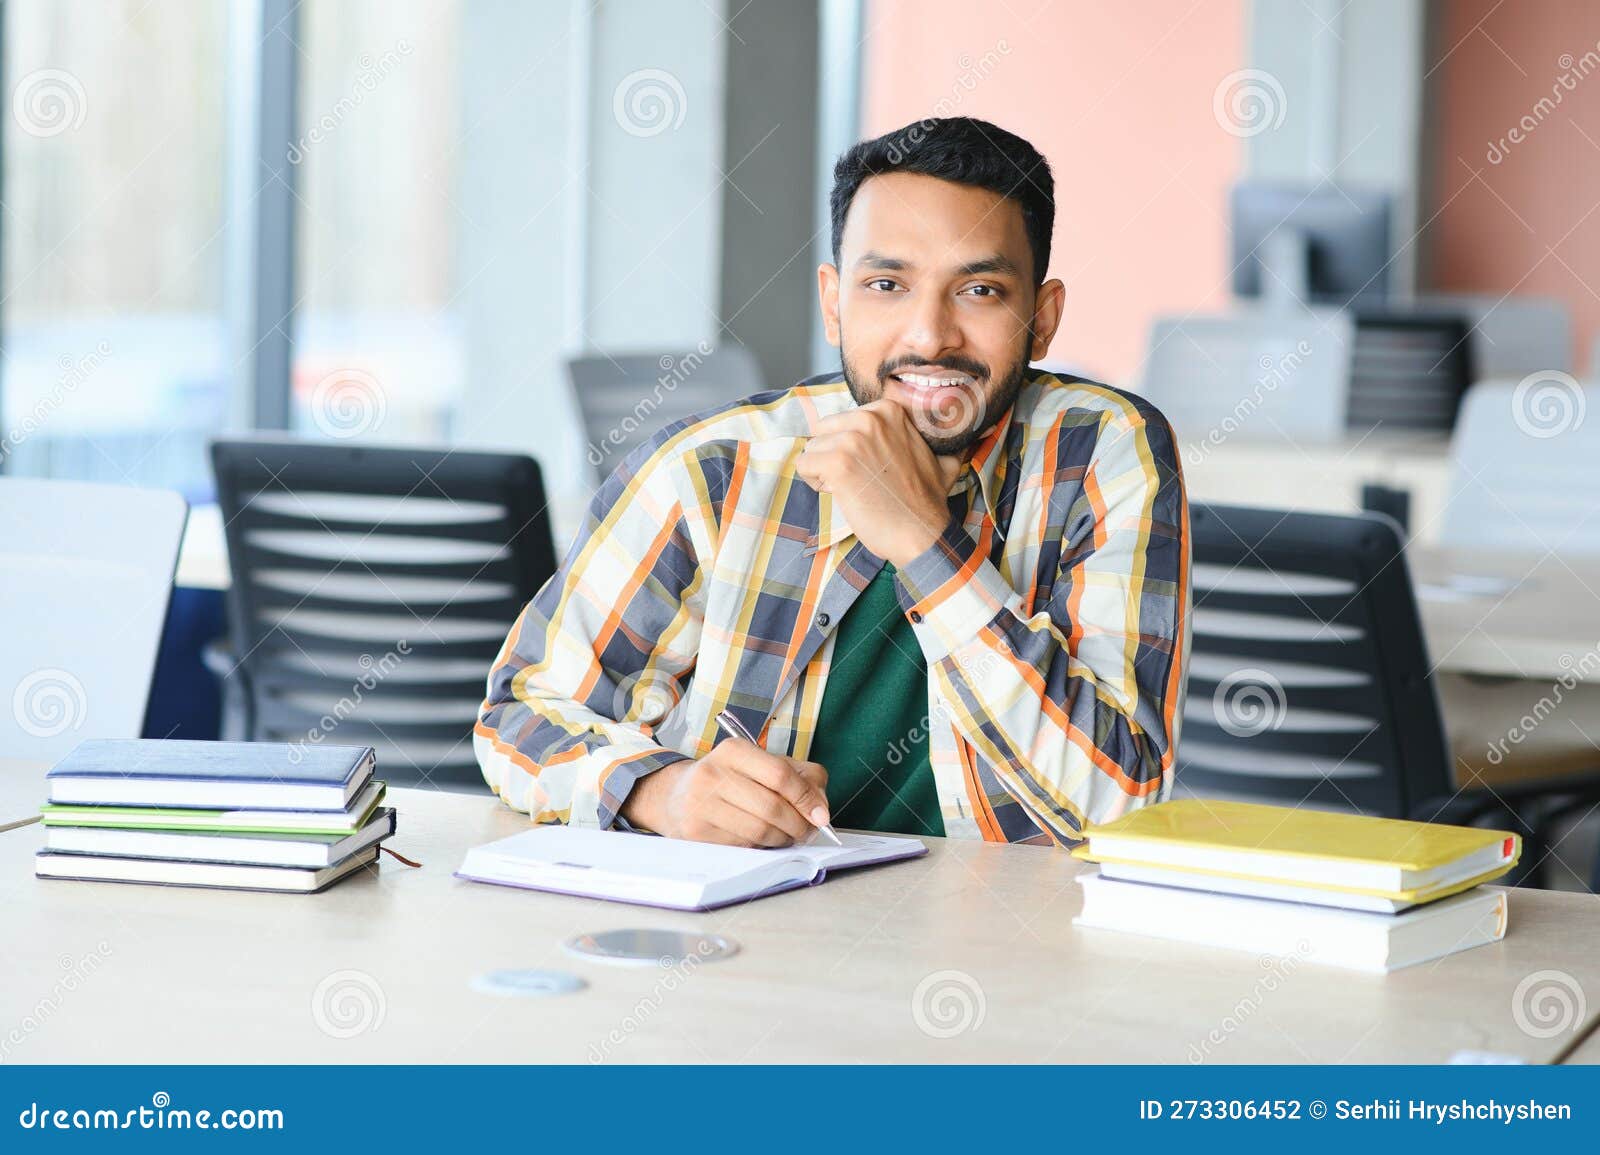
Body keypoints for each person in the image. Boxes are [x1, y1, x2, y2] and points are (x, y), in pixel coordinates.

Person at [475, 116, 1190, 848]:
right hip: (755, 937)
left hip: (1005, 944)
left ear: (1041, 320)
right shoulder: (714, 468)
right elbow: (520, 715)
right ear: (834, 303)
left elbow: (1117, 803)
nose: (928, 335)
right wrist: (661, 790)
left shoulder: (1102, 453)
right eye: (886, 284)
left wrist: (924, 540)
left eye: (978, 290)